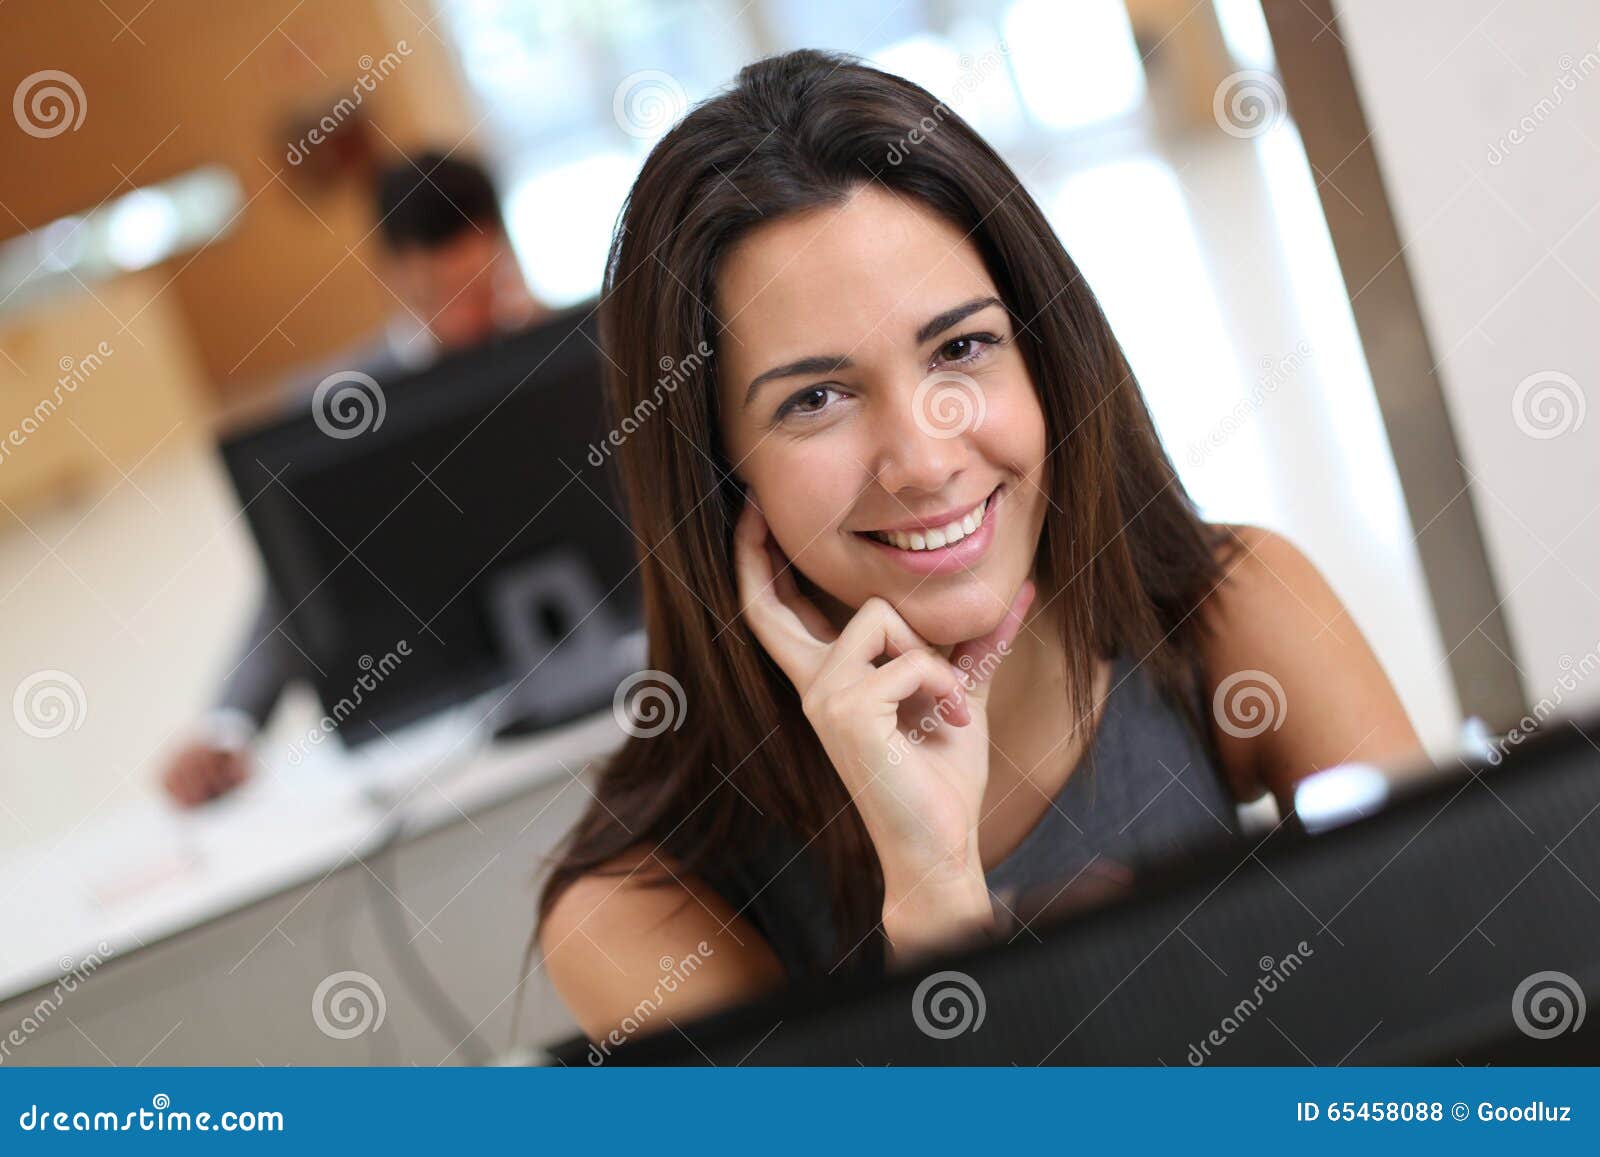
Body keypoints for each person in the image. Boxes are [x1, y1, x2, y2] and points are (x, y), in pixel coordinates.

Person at [533, 50, 1423, 1042]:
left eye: (960, 347)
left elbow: (1461, 1021)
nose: (921, 460)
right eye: (814, 398)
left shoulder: (1230, 609)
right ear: (717, 470)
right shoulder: (637, 910)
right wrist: (933, 895)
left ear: (1044, 356)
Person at [162, 151, 543, 807]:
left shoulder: (565, 356)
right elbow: (296, 589)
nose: (464, 320)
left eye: (479, 290)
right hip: (437, 736)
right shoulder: (337, 408)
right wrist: (227, 725)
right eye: (439, 295)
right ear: (395, 278)